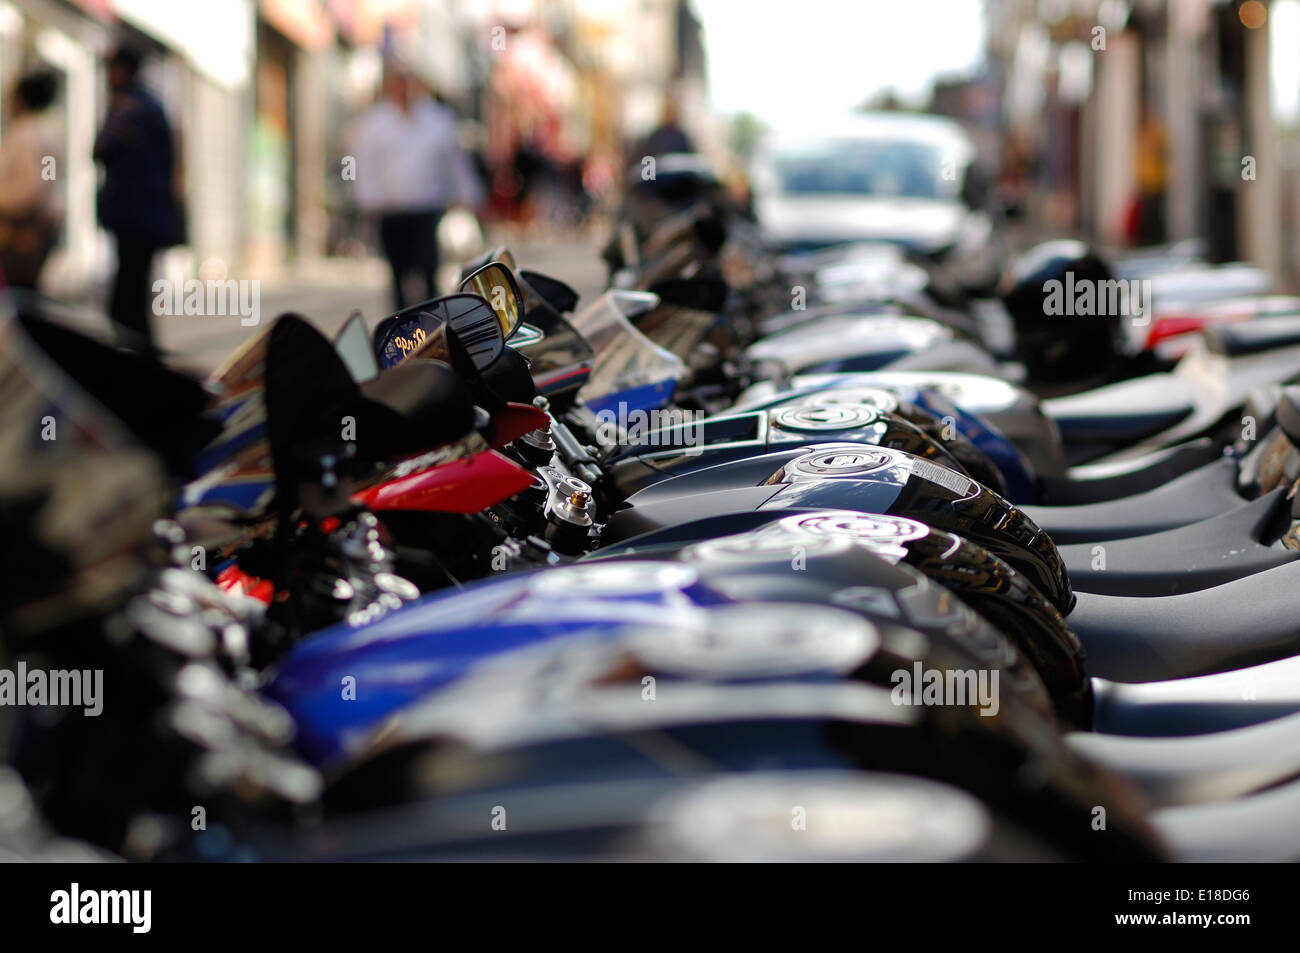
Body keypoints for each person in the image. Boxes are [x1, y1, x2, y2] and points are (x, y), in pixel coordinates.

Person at [351, 66, 483, 310]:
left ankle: (431, 325)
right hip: (390, 210)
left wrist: (468, 195)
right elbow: (365, 165)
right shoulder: (374, 124)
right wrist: (367, 200)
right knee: (398, 274)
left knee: (428, 270)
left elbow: (454, 162)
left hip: (426, 207)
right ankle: (402, 331)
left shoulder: (437, 120)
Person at [93, 45, 184, 353]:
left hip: (132, 213)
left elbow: (101, 148)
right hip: (149, 214)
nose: (108, 77)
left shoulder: (128, 107)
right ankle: (140, 344)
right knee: (137, 281)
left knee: (127, 286)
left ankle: (130, 347)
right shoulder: (152, 105)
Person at [0, 69, 61, 291]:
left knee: (18, 296)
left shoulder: (26, 135)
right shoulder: (46, 132)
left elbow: (31, 189)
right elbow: (45, 182)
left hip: (22, 230)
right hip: (38, 227)